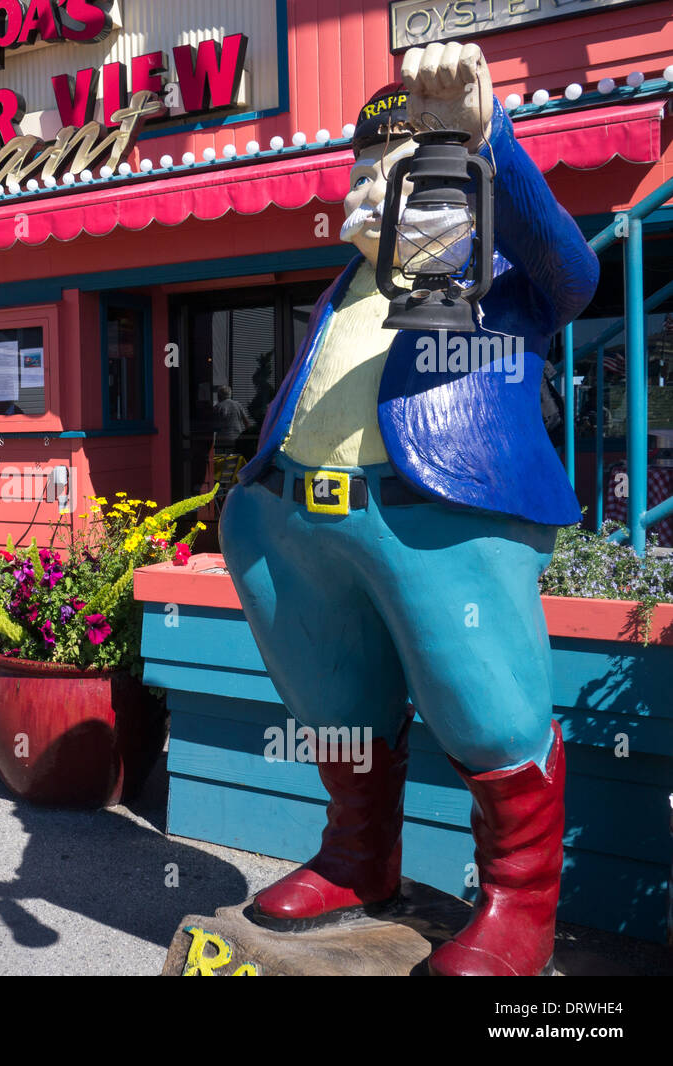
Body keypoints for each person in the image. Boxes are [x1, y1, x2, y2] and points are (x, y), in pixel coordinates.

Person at [220, 41, 598, 976]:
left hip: (439, 517)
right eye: (362, 170)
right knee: (332, 698)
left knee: (488, 706)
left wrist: (487, 134)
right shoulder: (341, 290)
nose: (372, 190)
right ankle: (358, 859)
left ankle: (519, 901)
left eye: (405, 173)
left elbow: (572, 273)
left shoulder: (494, 290)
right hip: (304, 522)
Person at [211, 385, 249, 454]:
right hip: (236, 438)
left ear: (219, 396)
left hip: (222, 440)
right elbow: (246, 422)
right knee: (234, 460)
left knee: (221, 460)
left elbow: (214, 426)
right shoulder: (238, 405)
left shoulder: (217, 407)